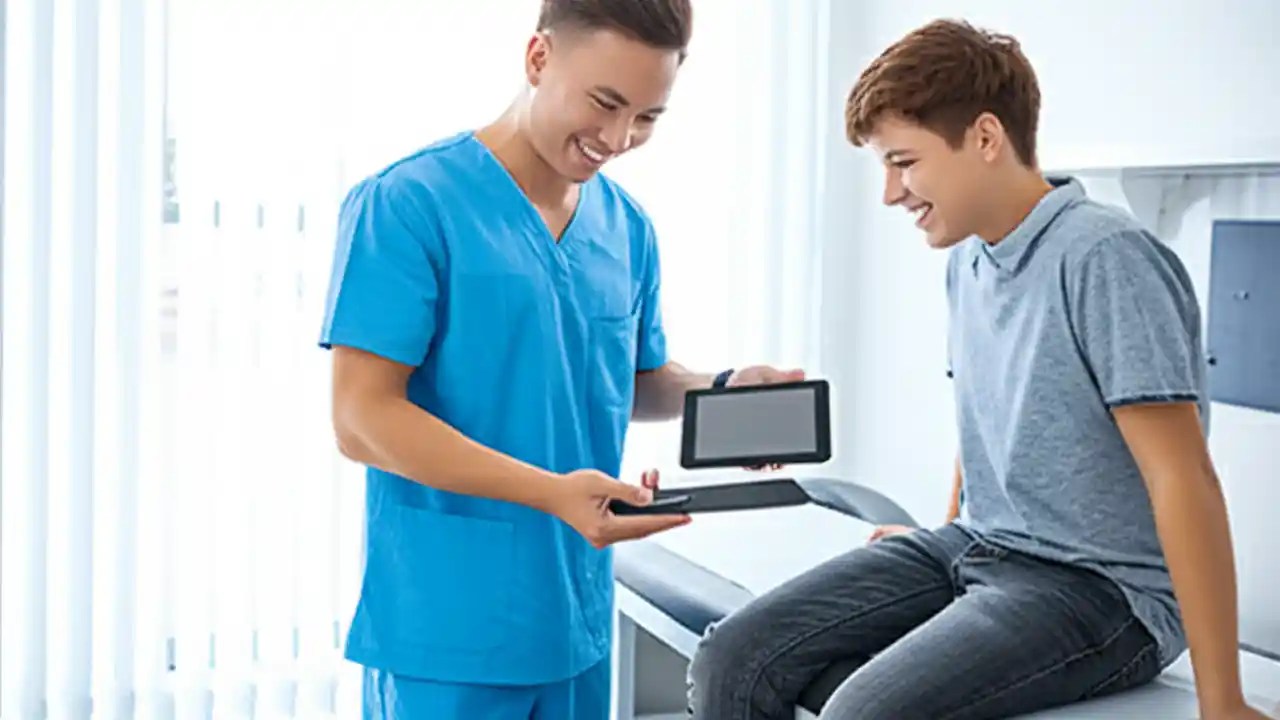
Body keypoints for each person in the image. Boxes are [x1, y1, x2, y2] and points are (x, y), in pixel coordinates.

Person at [687, 19, 1271, 720]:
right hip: (977, 547)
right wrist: (942, 530)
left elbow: (1184, 476)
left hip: (1101, 591)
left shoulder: (1104, 257)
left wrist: (1223, 701)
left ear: (986, 139)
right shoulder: (969, 257)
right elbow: (988, 412)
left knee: (859, 713)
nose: (890, 193)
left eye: (904, 162)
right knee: (730, 661)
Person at [317, 1, 803, 718]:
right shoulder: (409, 204)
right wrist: (551, 492)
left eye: (646, 117)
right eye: (604, 103)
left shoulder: (627, 228)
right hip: (449, 630)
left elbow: (628, 379)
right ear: (539, 58)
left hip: (574, 621)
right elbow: (360, 418)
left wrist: (722, 388)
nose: (617, 137)